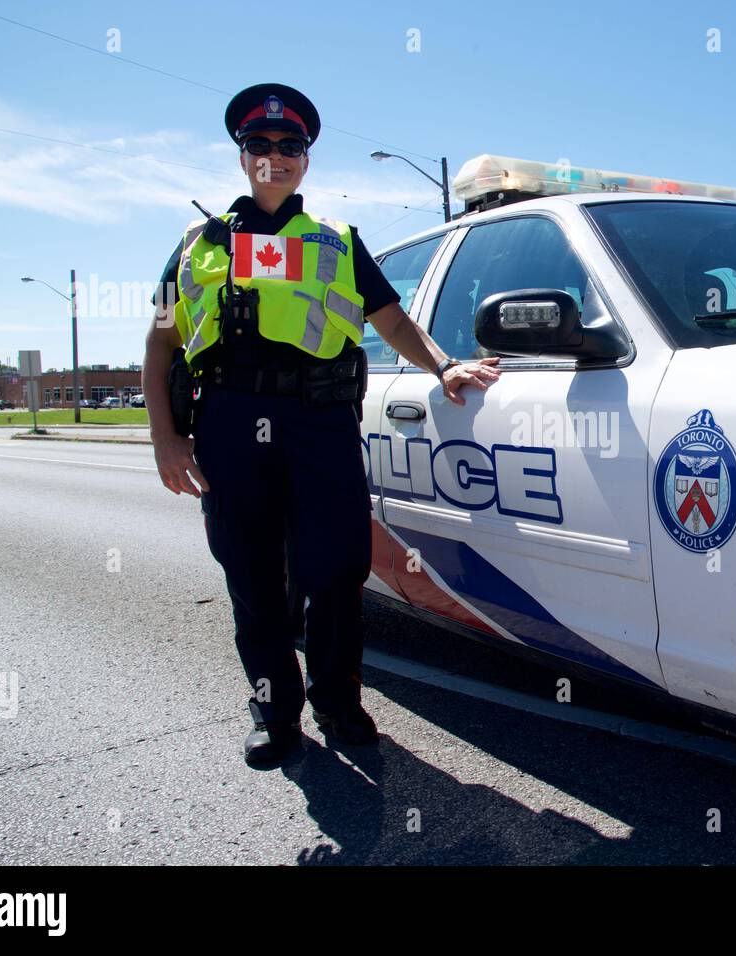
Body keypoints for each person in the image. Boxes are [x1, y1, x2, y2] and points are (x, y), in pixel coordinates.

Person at [142, 83, 499, 766]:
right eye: (260, 145)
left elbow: (391, 320)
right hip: (228, 423)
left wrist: (444, 366)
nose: (274, 156)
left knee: (335, 569)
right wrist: (165, 435)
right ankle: (276, 714)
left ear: (305, 158)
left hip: (318, 421)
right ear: (242, 155)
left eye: (289, 146)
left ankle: (338, 701)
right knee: (252, 576)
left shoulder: (336, 242)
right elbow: (160, 345)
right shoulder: (197, 245)